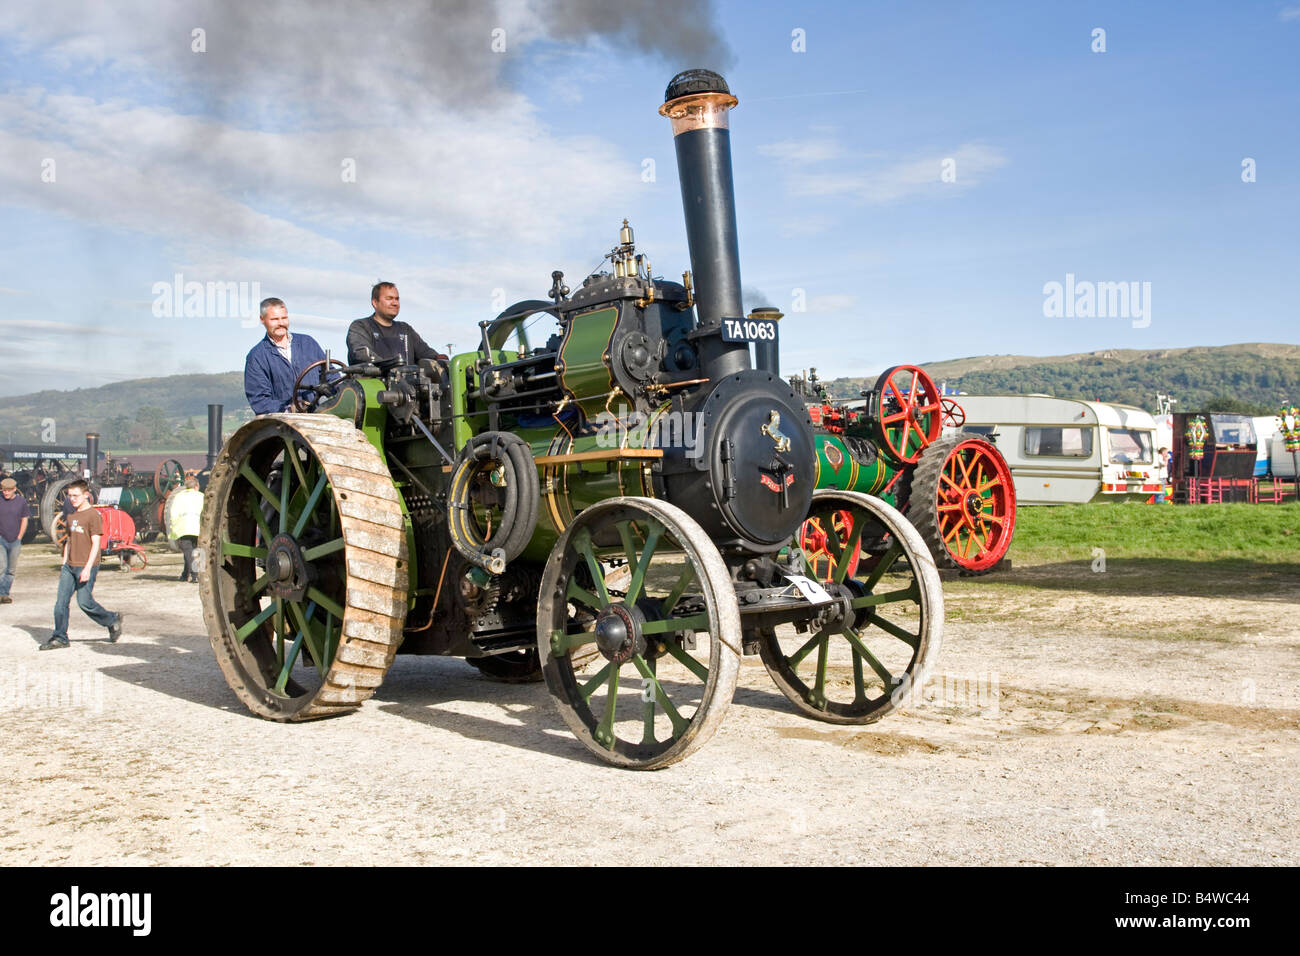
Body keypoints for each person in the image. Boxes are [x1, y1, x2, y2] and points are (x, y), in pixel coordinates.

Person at [42, 479, 122, 650]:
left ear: (86, 495)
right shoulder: (70, 515)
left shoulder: (93, 516)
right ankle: (60, 637)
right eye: (70, 496)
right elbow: (69, 541)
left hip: (87, 565)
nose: (72, 499)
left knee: (84, 602)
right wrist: (64, 563)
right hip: (69, 565)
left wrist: (87, 568)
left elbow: (96, 544)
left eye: (76, 495)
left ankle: (111, 619)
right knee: (60, 603)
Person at [244, 297, 327, 415]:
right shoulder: (257, 357)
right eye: (274, 319)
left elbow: (330, 375)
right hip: (284, 423)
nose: (281, 323)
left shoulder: (308, 343)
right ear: (262, 319)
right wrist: (288, 409)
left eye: (284, 318)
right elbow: (259, 400)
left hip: (320, 414)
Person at [346, 282, 446, 366]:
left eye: (397, 299)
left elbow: (426, 353)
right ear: (375, 303)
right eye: (389, 298)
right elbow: (361, 354)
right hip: (375, 384)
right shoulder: (361, 326)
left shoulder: (405, 329)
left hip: (407, 386)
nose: (395, 303)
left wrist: (439, 359)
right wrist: (391, 366)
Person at [166, 475, 204, 582]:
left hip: (183, 528)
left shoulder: (178, 497)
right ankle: (193, 574)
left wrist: (173, 531)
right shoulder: (201, 496)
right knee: (198, 551)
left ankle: (194, 575)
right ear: (196, 486)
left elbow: (173, 515)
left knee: (188, 552)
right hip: (198, 528)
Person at [0, 476, 29, 604]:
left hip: (15, 540)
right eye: (4, 490)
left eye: (8, 490)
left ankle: (5, 594)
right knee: (2, 567)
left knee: (11, 570)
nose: (5, 492)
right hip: (1, 539)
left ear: (14, 489)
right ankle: (1, 593)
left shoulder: (21, 502)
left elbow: (24, 519)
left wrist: (19, 537)